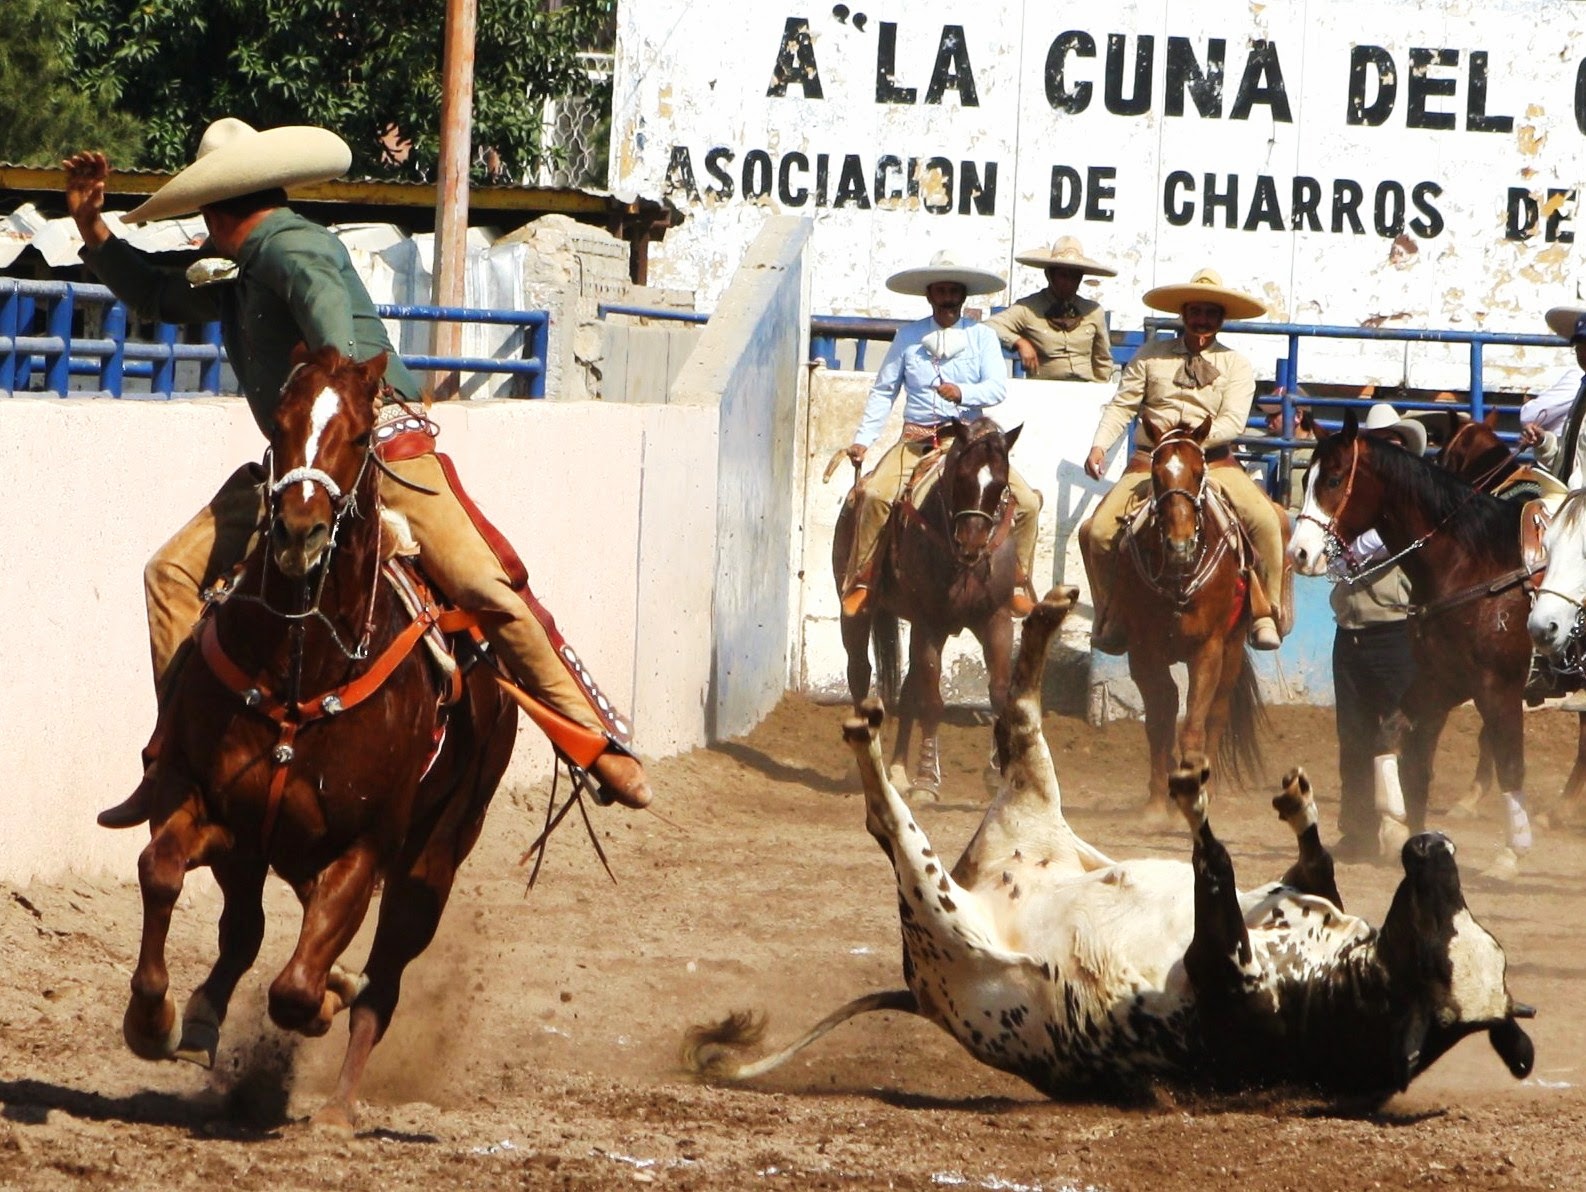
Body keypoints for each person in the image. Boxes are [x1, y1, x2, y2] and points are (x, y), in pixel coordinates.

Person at [65, 118, 652, 826]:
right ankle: (180, 763)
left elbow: (339, 358)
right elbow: (160, 293)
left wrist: (329, 385)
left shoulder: (293, 250)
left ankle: (594, 739)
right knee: (171, 573)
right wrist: (92, 229)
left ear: (217, 210)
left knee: (481, 582)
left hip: (382, 454)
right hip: (298, 472)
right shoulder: (244, 270)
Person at [1079, 266, 1287, 653]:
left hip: (1215, 462)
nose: (1203, 320)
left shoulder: (1236, 365)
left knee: (1267, 521)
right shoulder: (1149, 355)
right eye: (1196, 312)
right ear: (1184, 314)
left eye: (1211, 313)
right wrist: (1099, 446)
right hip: (1151, 463)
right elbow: (1122, 406)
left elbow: (1232, 421)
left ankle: (1266, 611)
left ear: (1222, 319)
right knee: (1098, 531)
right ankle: (1111, 614)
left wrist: (1189, 442)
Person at [840, 248, 1041, 617]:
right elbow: (885, 390)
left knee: (1027, 502)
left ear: (962, 297)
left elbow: (997, 387)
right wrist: (863, 440)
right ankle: (864, 580)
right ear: (930, 295)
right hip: (917, 440)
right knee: (875, 495)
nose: (948, 299)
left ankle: (1016, 581)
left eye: (954, 292)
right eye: (941, 292)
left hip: (970, 443)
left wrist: (963, 393)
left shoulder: (981, 337)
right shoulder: (908, 337)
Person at [1328, 404, 1423, 863]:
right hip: (1352, 628)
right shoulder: (1356, 505)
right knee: (1354, 734)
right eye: (1378, 442)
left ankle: (1404, 825)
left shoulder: (1412, 506)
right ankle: (1360, 828)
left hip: (1396, 626)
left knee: (1398, 732)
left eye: (1392, 442)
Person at [984, 236, 1116, 383]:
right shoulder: (1028, 308)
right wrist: (1020, 342)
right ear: (1050, 275)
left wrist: (1099, 391)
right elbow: (990, 326)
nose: (1068, 283)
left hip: (1085, 387)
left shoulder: (1093, 311)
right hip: (1045, 389)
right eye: (1063, 276)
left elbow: (1102, 359)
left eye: (1074, 277)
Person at [1519, 303, 1586, 486]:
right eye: (1579, 348)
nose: (1583, 354)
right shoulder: (1582, 390)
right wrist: (1543, 442)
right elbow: (1565, 461)